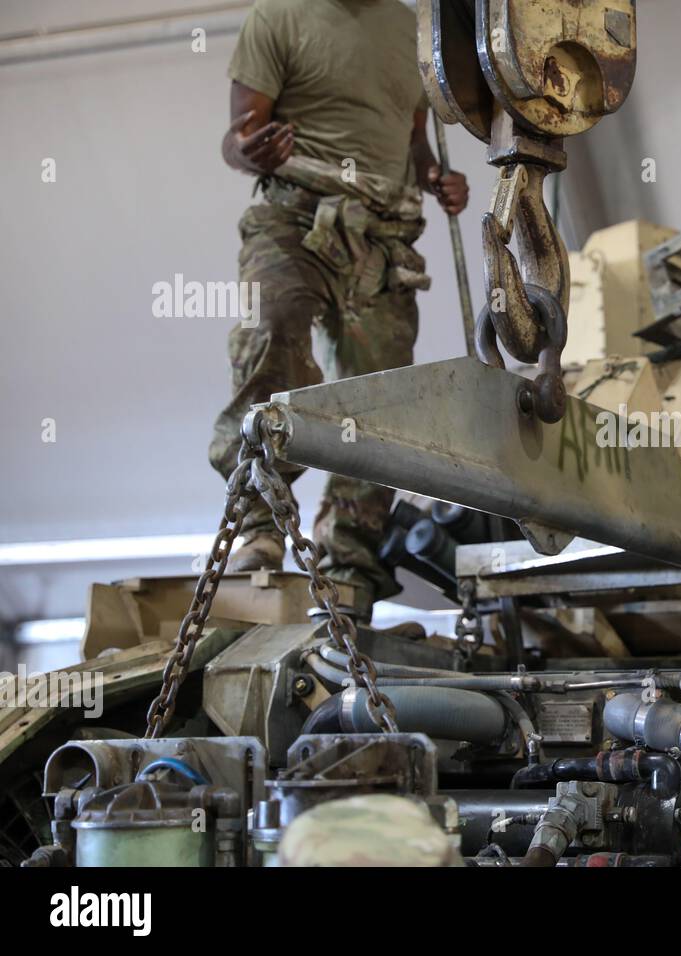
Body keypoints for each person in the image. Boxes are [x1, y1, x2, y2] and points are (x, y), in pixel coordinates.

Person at [209, 0, 468, 619]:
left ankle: (349, 562)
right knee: (272, 335)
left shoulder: (413, 29)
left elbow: (409, 131)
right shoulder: (278, 18)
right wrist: (254, 152)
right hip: (295, 216)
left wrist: (435, 175)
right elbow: (237, 138)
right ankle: (260, 523)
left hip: (382, 235)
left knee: (380, 400)